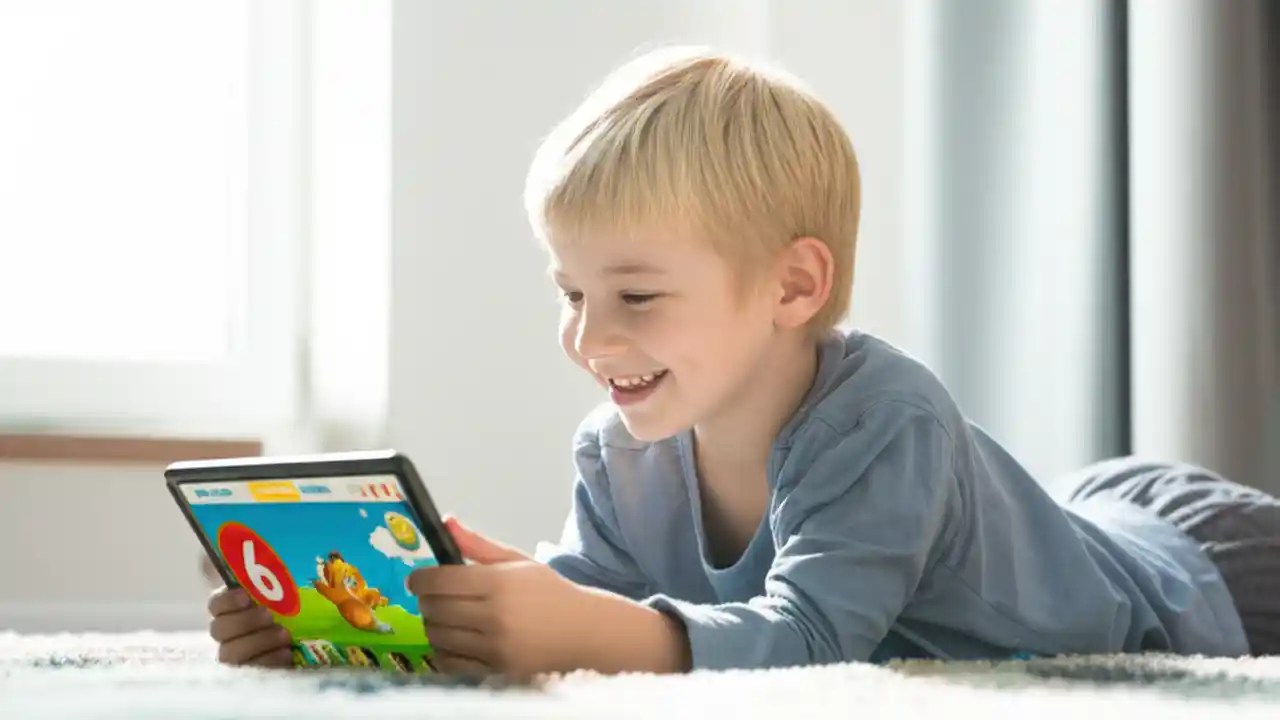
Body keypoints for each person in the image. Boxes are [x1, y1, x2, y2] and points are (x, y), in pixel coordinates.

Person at [205, 46, 1280, 675]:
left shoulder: (880, 416)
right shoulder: (620, 447)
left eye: (634, 296)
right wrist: (424, 615)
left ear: (793, 288)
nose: (589, 337)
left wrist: (577, 623)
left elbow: (815, 637)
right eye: (571, 294)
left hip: (1194, 573)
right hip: (1055, 518)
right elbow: (596, 601)